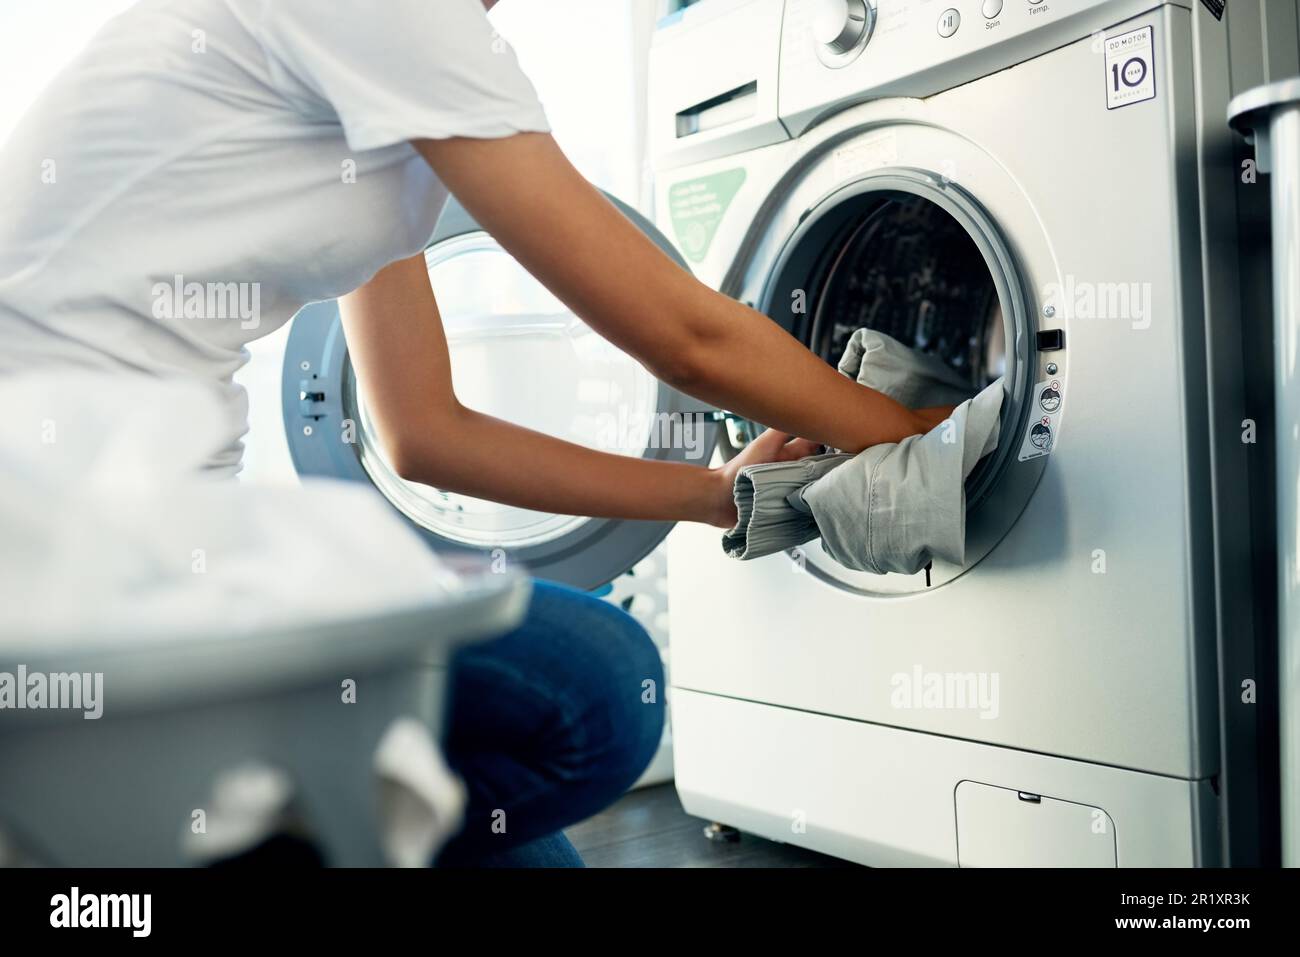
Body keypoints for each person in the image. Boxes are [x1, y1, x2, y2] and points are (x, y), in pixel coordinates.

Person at [0, 0, 947, 866]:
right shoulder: (400, 21)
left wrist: (718, 495)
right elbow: (685, 337)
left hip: (141, 529)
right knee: (602, 685)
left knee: (529, 848)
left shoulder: (401, 75)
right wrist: (917, 434)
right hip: (59, 541)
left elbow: (424, 430)